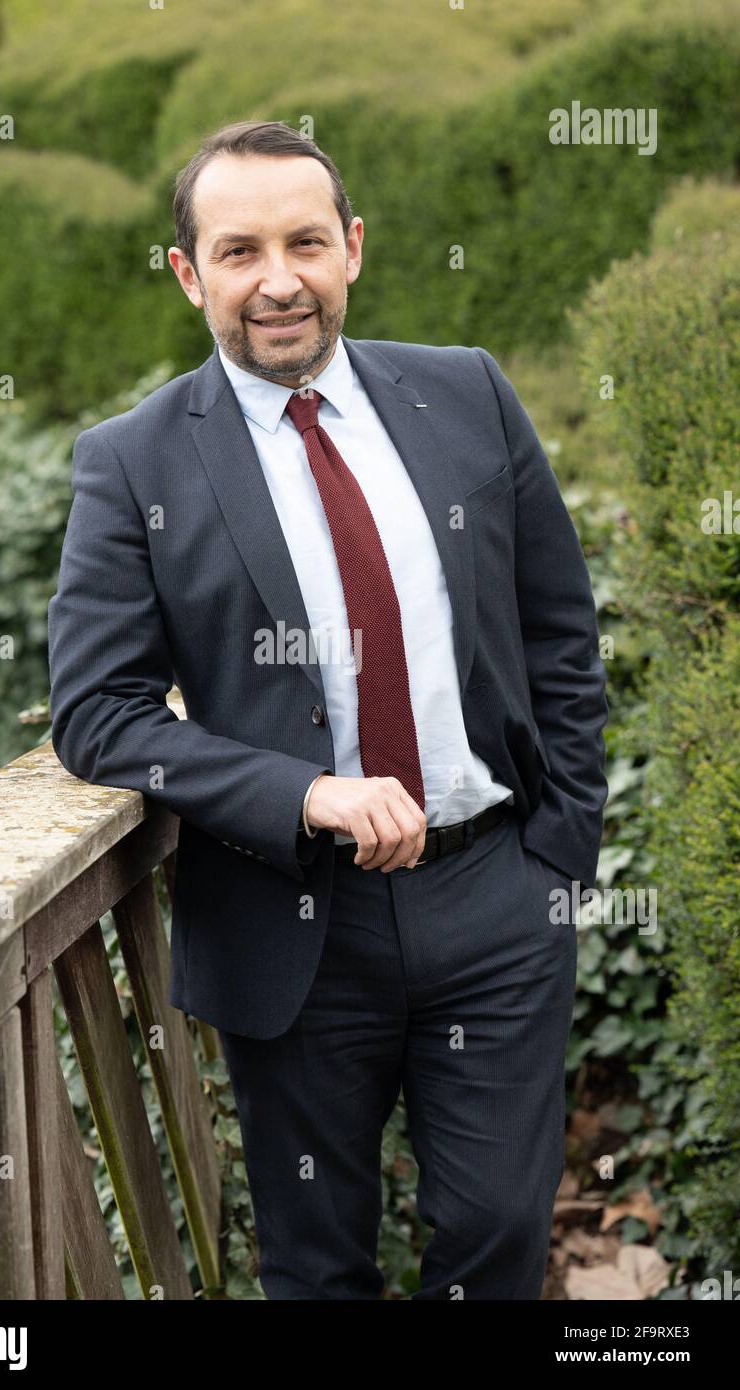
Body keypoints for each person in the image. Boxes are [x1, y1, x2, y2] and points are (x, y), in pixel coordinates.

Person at [47, 120, 609, 1300]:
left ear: (352, 248)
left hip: (496, 899)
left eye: (306, 241)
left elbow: (560, 630)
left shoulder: (468, 393)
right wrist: (300, 792)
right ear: (189, 273)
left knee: (499, 1244)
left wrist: (560, 853)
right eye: (240, 250)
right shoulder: (133, 463)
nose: (280, 279)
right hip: (290, 920)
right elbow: (98, 712)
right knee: (315, 1267)